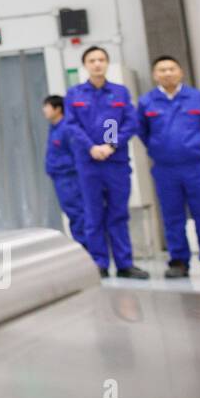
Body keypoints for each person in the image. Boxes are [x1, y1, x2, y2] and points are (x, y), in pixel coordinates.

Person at [63, 46, 150, 279]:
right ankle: (98, 262)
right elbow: (72, 125)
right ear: (85, 65)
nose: (97, 64)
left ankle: (124, 264)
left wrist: (110, 146)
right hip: (88, 163)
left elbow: (128, 122)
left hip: (115, 162)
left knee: (118, 213)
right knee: (93, 214)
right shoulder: (75, 94)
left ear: (107, 64)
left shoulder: (119, 93)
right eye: (92, 60)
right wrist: (92, 147)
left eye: (101, 59)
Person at [137, 55, 200, 280]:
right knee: (172, 217)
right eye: (162, 70)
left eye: (171, 69)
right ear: (155, 75)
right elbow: (142, 132)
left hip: (196, 167)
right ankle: (178, 261)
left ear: (180, 72)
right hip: (165, 169)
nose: (167, 73)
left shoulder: (198, 98)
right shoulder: (147, 102)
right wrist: (159, 149)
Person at [42, 95, 86, 250]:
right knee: (72, 213)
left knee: (78, 213)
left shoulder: (66, 128)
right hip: (60, 178)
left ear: (57, 109)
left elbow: (76, 154)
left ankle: (85, 248)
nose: (44, 110)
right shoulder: (54, 128)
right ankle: (81, 246)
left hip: (70, 178)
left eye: (46, 106)